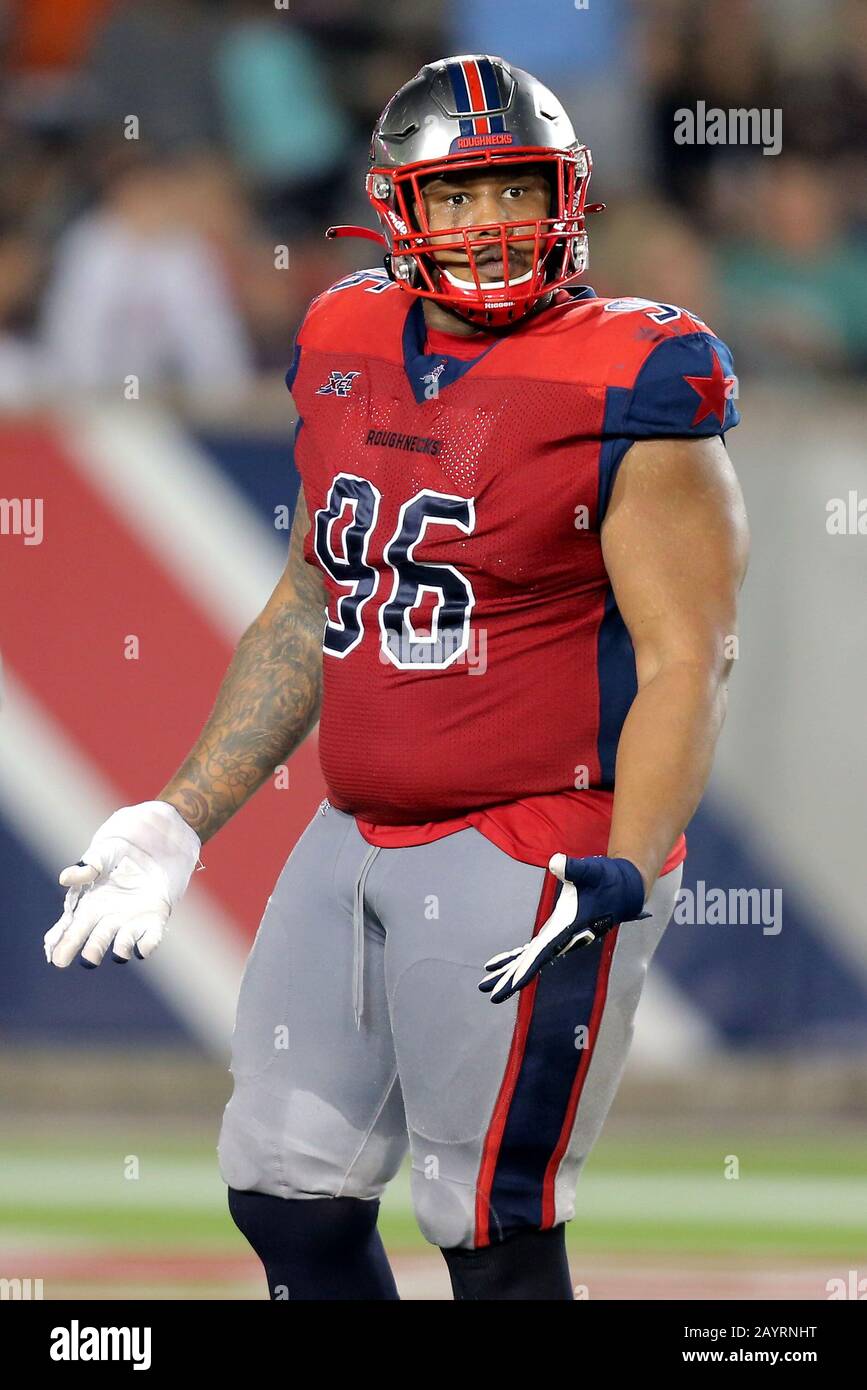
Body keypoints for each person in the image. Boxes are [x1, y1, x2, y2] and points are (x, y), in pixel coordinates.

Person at [44, 55, 749, 1301]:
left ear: (566, 196)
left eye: (516, 191)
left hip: (536, 836)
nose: (493, 224)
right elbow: (316, 594)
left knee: (490, 1228)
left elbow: (690, 655)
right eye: (461, 195)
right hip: (356, 824)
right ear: (396, 205)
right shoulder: (344, 331)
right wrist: (177, 816)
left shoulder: (635, 374)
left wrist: (627, 864)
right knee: (284, 1189)